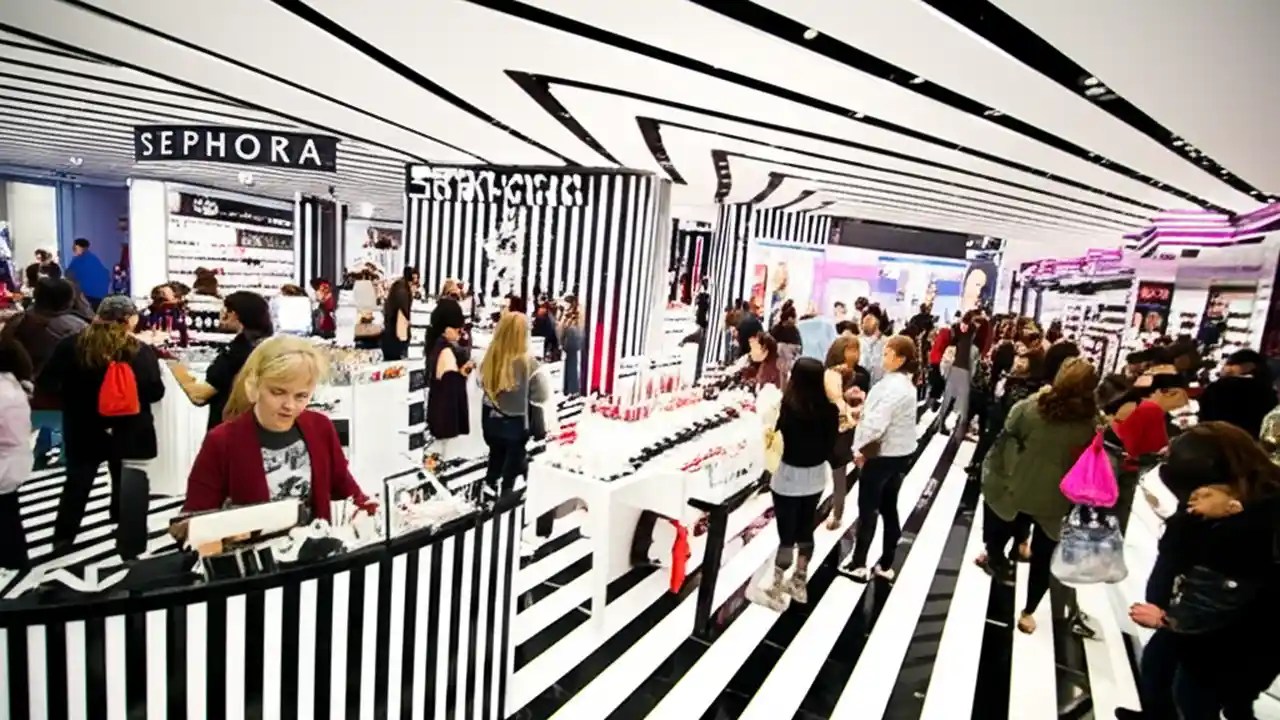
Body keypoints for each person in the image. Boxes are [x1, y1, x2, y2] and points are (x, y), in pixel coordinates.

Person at [1118, 422, 1280, 720]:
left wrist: (1169, 618)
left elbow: (1218, 595)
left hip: (1236, 632)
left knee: (1195, 697)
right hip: (1203, 622)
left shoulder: (1251, 525)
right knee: (1158, 668)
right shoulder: (1216, 506)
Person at [184, 336, 374, 522]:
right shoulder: (222, 441)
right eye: (278, 392)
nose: (289, 406)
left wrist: (374, 511)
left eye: (301, 396)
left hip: (315, 548)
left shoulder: (320, 427)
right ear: (253, 386)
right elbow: (194, 519)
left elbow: (346, 490)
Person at [978, 358, 1100, 633]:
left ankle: (998, 559)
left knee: (1000, 528)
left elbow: (1008, 430)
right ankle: (1028, 611)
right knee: (1044, 557)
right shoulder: (1090, 424)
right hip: (1056, 499)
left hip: (1016, 486)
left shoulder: (1032, 407)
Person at [37, 296, 165, 550]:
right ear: (128, 319)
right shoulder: (140, 351)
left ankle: (63, 537)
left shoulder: (71, 346)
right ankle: (125, 531)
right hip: (129, 427)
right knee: (127, 479)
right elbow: (155, 392)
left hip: (82, 426)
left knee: (77, 482)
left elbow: (47, 383)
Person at [761, 357, 839, 608]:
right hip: (815, 477)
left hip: (787, 476)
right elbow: (830, 446)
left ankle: (775, 585)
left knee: (786, 533)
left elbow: (776, 436)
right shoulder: (830, 411)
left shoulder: (787, 407)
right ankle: (799, 581)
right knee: (806, 528)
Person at [842, 335, 920, 582]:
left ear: (901, 359)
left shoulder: (892, 388)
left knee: (868, 509)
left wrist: (859, 449)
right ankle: (887, 562)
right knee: (889, 507)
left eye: (887, 353)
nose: (883, 357)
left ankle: (858, 563)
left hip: (882, 456)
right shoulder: (905, 386)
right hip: (901, 453)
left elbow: (876, 425)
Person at [1, 278, 89, 467]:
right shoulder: (76, 326)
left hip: (16, 398)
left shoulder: (16, 322)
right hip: (63, 402)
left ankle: (42, 448)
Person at [168, 292, 274, 432]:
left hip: (228, 430)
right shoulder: (266, 347)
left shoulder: (237, 351)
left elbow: (199, 395)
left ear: (234, 314)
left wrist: (174, 367)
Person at [1103, 372, 1190, 533]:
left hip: (1116, 459)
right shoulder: (1151, 410)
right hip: (1125, 465)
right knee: (1118, 512)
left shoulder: (1139, 404)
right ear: (1165, 392)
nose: (1183, 403)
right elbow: (1155, 446)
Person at [480, 313, 551, 494]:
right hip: (516, 424)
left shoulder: (489, 358)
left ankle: (489, 488)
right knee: (512, 467)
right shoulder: (529, 364)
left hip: (490, 421)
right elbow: (541, 395)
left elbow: (481, 383)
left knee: (495, 456)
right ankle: (506, 503)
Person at [823, 335, 869, 529]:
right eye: (850, 349)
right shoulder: (830, 373)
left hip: (858, 428)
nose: (854, 354)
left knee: (863, 471)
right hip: (835, 428)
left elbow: (865, 400)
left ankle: (865, 512)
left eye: (856, 350)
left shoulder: (861, 374)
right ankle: (837, 512)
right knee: (838, 472)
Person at [0, 338, 33, 570]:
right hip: (13, 463)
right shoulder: (12, 386)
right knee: (8, 516)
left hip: (5, 465)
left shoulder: (4, 392)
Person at [425, 299, 471, 455]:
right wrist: (463, 374)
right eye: (457, 328)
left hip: (436, 414)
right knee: (443, 456)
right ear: (445, 328)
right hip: (444, 419)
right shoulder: (446, 352)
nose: (460, 331)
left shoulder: (435, 346)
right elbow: (452, 388)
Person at [1197, 349, 1277, 438]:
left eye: (1229, 363)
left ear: (1248, 366)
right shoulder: (1270, 393)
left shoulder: (1216, 389)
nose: (1224, 368)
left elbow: (1203, 423)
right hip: (1252, 447)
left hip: (1216, 444)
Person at [939, 311, 977, 437]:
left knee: (951, 397)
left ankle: (941, 423)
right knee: (959, 400)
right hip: (962, 368)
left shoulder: (958, 331)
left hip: (955, 367)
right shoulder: (970, 332)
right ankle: (948, 425)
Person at [63, 238, 109, 308]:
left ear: (80, 247)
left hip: (87, 296)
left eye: (75, 247)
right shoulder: (94, 258)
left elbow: (68, 275)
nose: (73, 250)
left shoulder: (78, 261)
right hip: (101, 296)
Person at [381, 277, 412, 360]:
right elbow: (401, 335)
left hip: (387, 343)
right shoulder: (401, 307)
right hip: (397, 349)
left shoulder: (389, 305)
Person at [559, 294, 584, 395]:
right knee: (568, 366)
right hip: (567, 343)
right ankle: (568, 389)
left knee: (572, 366)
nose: (565, 304)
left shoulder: (575, 315)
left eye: (567, 302)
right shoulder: (566, 314)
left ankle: (572, 389)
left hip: (572, 344)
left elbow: (575, 330)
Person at [857, 309, 887, 387]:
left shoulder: (858, 341)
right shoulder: (884, 341)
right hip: (878, 379)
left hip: (863, 377)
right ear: (877, 326)